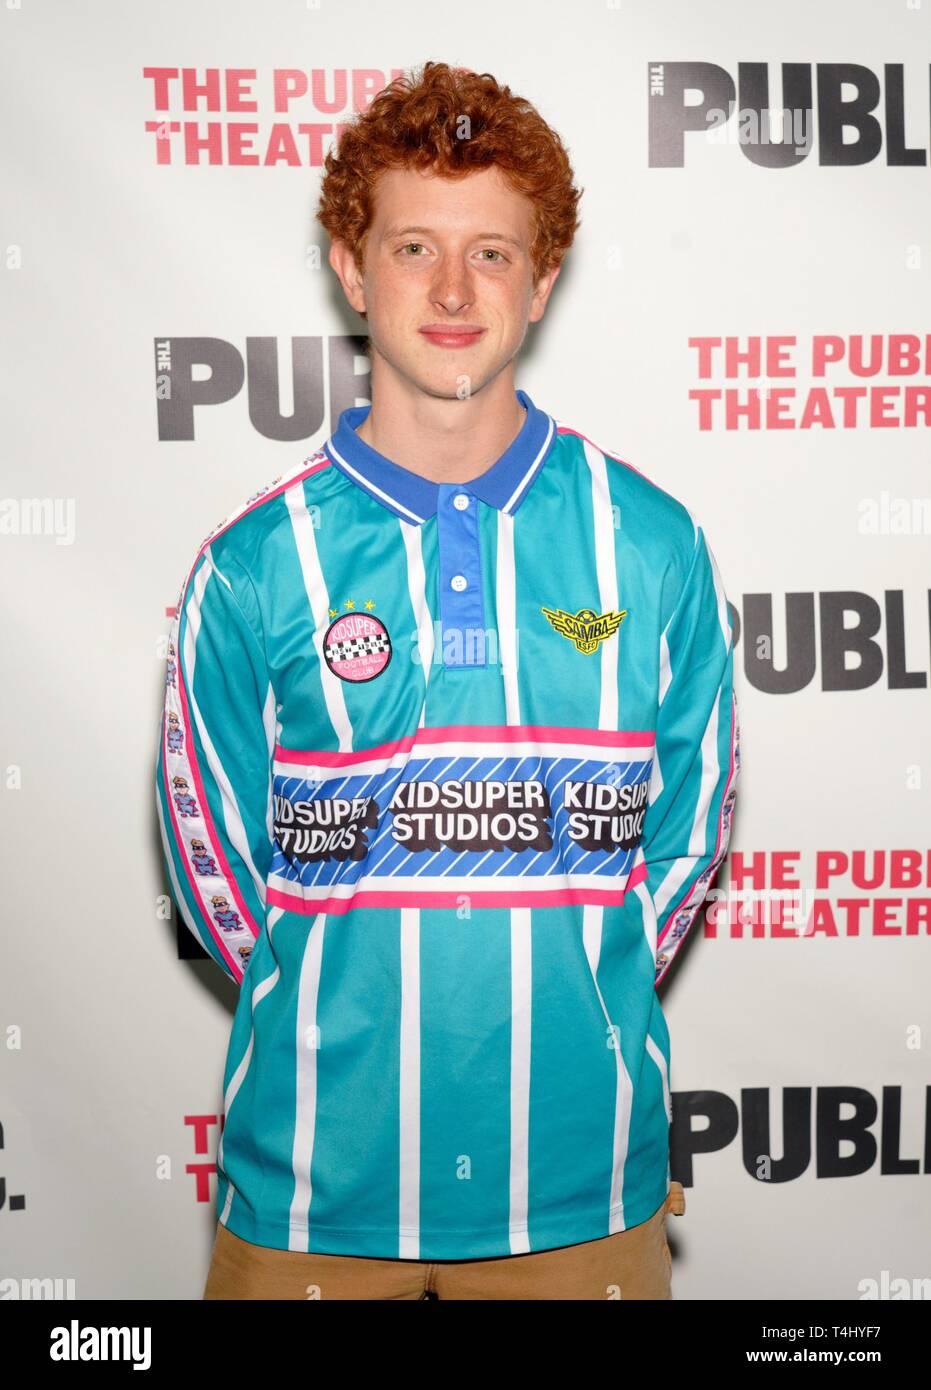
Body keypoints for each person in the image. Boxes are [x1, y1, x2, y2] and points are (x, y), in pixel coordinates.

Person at [155, 60, 740, 1301]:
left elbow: (685, 842)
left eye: (492, 251)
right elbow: (218, 879)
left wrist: (572, 982)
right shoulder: (256, 565)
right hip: (316, 1183)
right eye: (415, 245)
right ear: (352, 268)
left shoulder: (652, 542)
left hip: (578, 1182)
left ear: (542, 278)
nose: (454, 289)